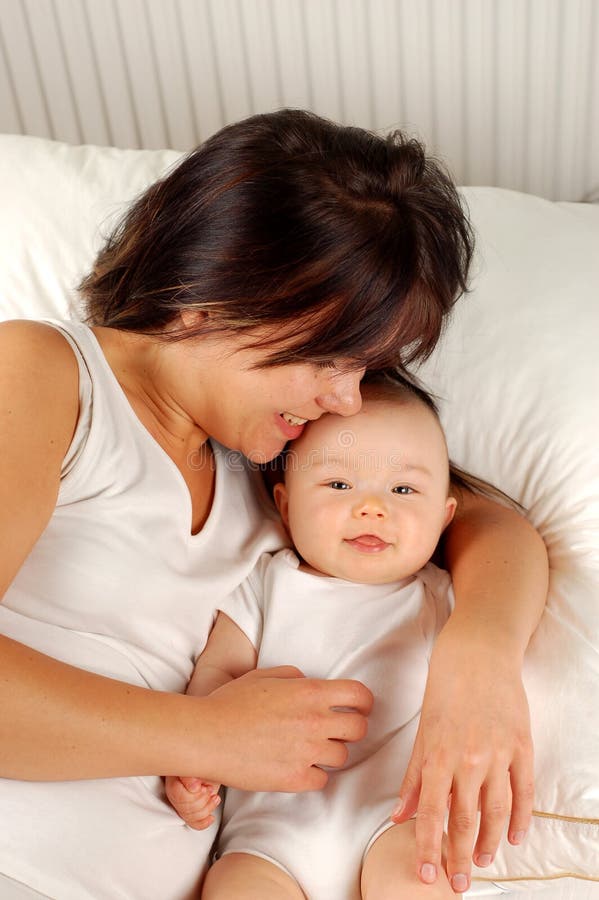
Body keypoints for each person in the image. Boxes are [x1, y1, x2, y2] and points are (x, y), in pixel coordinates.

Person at [0, 109, 547, 899]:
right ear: (207, 298)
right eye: (328, 357)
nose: (348, 399)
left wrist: (479, 660)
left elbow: (487, 522)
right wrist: (210, 735)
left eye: (365, 367)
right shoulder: (46, 376)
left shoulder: (271, 463)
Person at [167, 374, 463, 900]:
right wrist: (194, 765)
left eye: (403, 489)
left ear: (443, 520)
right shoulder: (267, 584)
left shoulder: (441, 598)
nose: (372, 508)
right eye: (339, 485)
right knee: (233, 887)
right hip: (267, 836)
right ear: (285, 506)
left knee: (418, 879)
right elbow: (215, 676)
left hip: (394, 818)